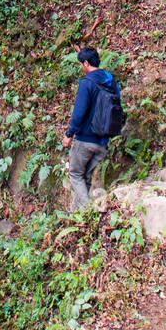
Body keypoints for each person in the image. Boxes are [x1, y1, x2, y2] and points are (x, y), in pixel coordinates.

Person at [62, 47, 121, 210]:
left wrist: (69, 134)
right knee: (85, 178)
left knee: (75, 174)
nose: (81, 67)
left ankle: (88, 210)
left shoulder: (87, 83)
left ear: (86, 63)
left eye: (81, 64)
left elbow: (79, 112)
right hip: (103, 141)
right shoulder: (111, 80)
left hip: (85, 140)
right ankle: (75, 215)